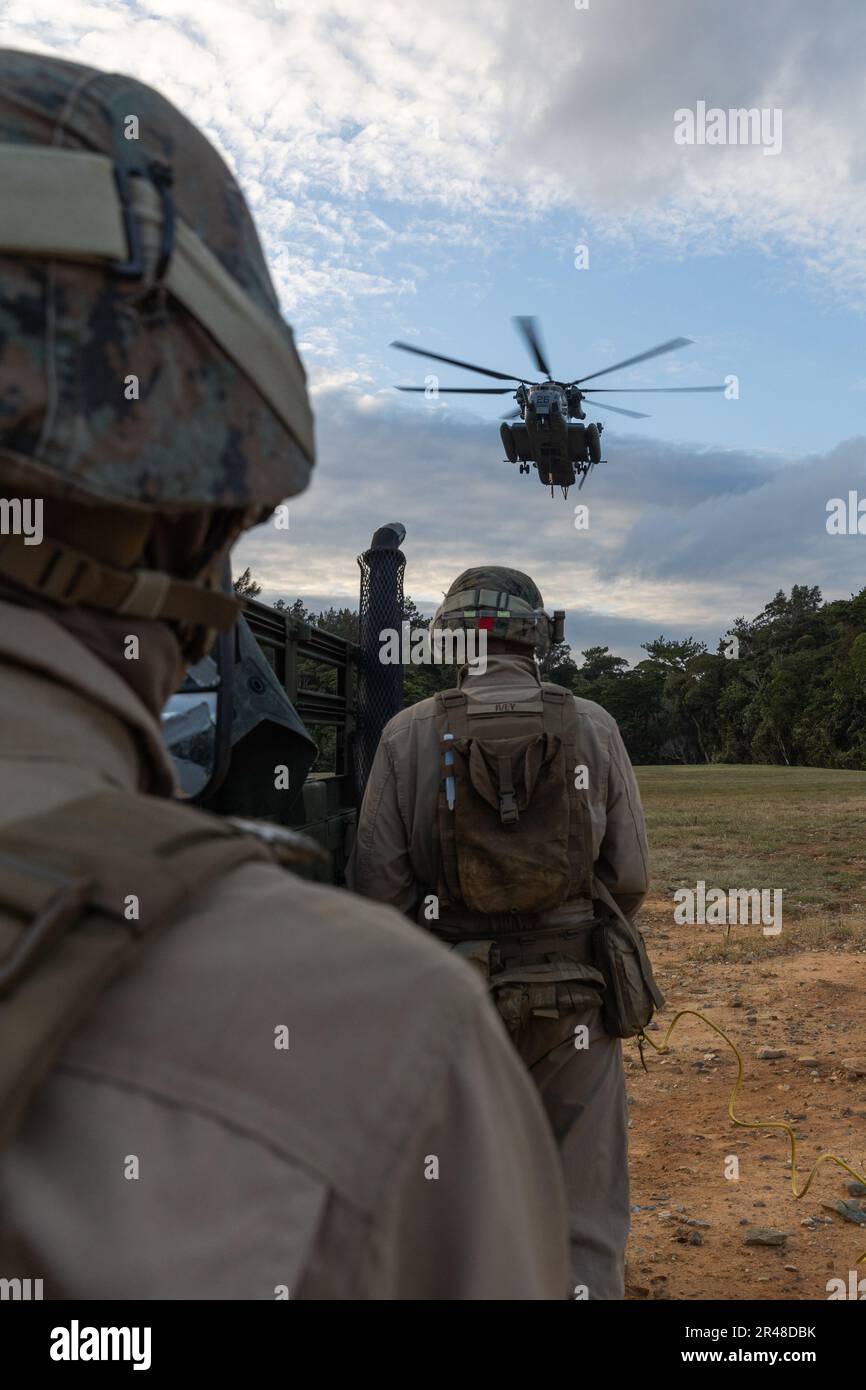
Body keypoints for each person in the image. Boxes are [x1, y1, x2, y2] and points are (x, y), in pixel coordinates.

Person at [0, 50, 569, 1300]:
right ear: (197, 511)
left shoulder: (417, 733)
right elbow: (620, 869)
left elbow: (380, 860)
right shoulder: (376, 1045)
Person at [349, 566, 654, 1299]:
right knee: (583, 1215)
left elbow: (379, 887)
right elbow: (631, 876)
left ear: (453, 640)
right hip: (575, 993)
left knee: (454, 1204)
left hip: (456, 1000)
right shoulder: (594, 725)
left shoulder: (407, 732)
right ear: (538, 637)